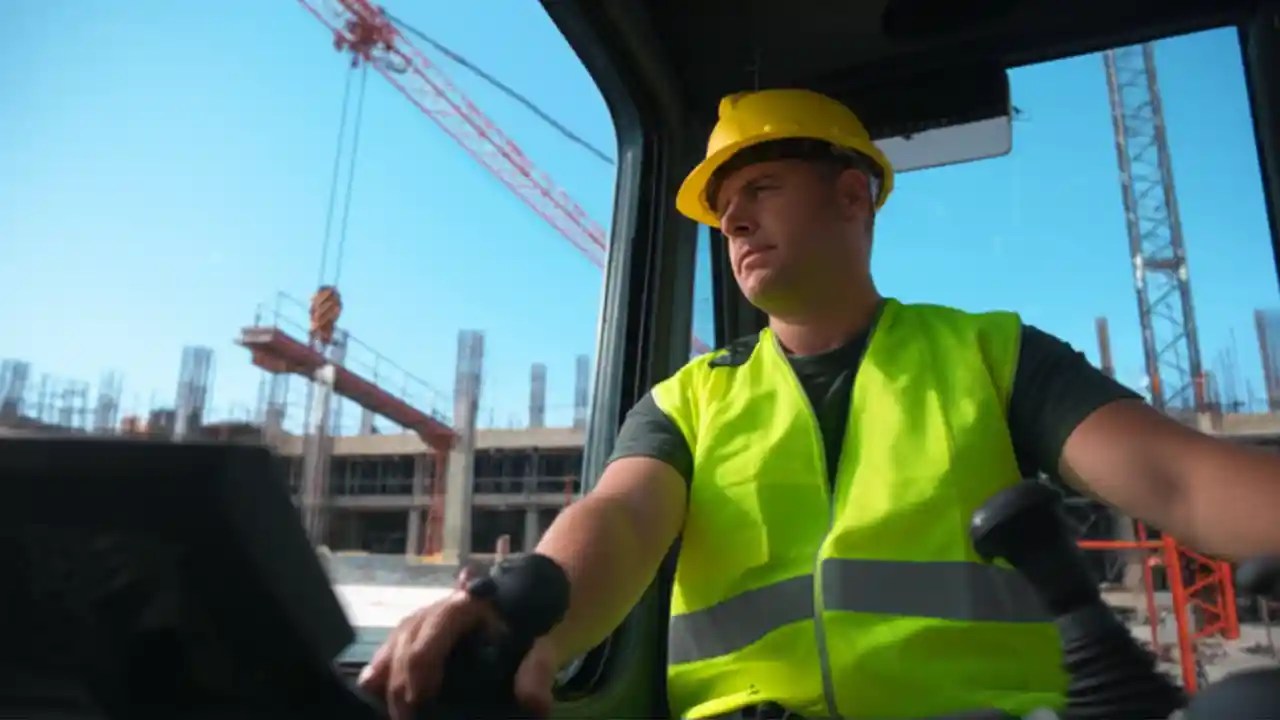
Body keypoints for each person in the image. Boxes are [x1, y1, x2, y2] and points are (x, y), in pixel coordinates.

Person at [357, 89, 1280, 719]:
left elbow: (1180, 480)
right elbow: (619, 521)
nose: (736, 223)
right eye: (724, 212)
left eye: (758, 189)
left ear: (852, 197)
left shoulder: (989, 355)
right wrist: (517, 615)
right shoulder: (689, 399)